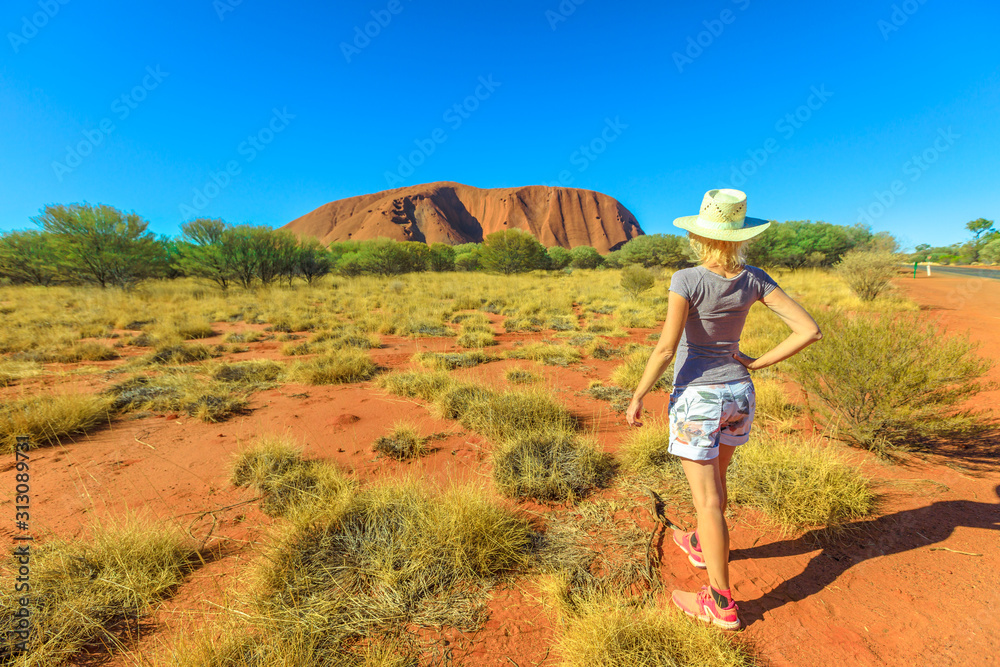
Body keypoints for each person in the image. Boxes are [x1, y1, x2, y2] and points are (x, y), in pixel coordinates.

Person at [625, 188, 822, 630]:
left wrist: (638, 395)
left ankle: (720, 601)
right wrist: (757, 362)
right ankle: (698, 542)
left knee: (708, 500)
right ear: (740, 235)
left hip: (698, 397)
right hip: (739, 393)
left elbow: (664, 348)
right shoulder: (754, 278)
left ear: (700, 234)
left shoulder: (687, 279)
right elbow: (808, 330)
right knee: (718, 481)